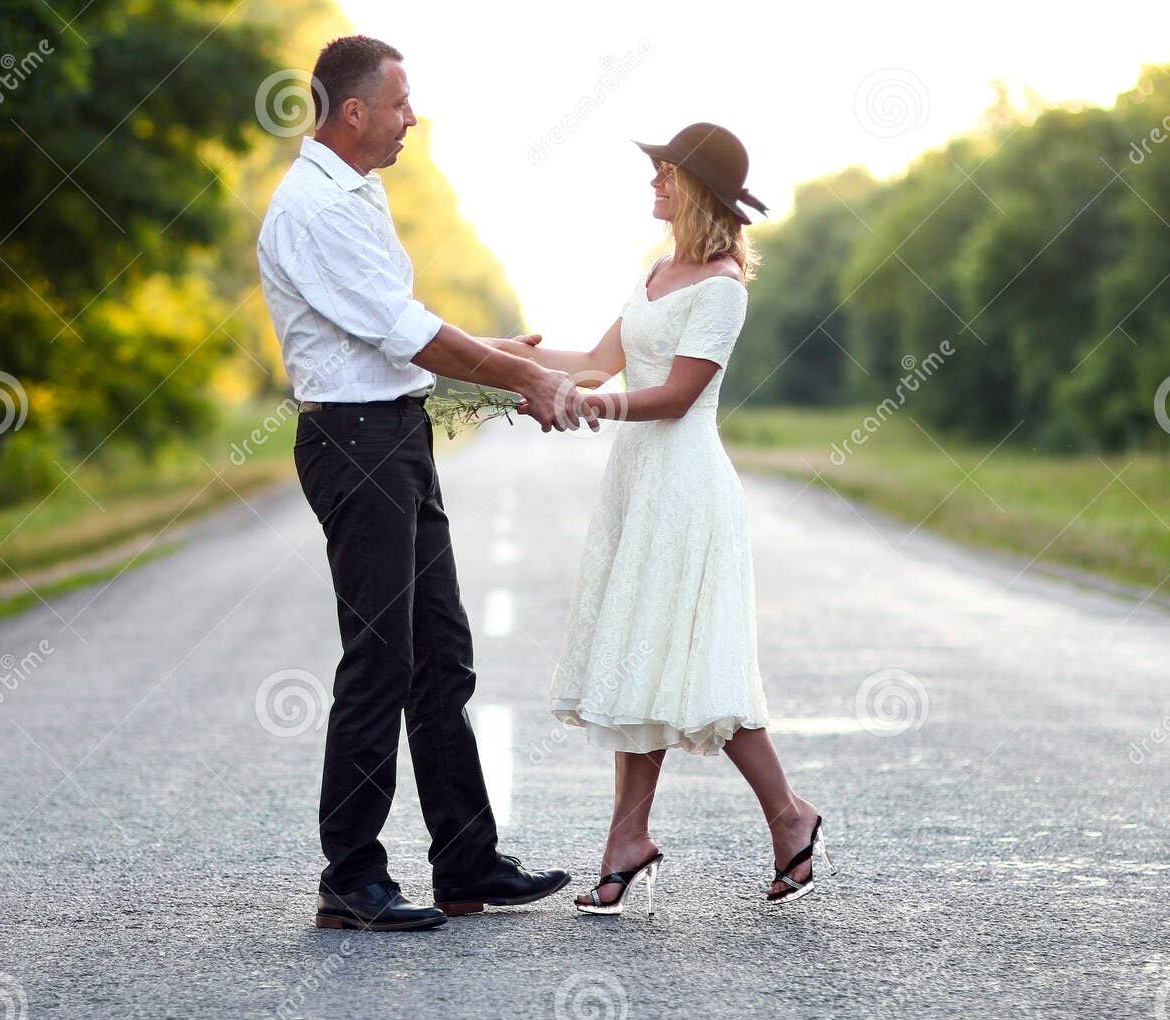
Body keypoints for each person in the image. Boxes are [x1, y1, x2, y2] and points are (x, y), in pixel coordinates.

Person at [256, 35, 581, 931]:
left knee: (441, 652)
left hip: (395, 433)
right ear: (354, 111)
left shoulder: (358, 192)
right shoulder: (313, 209)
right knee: (381, 661)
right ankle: (350, 876)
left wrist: (493, 358)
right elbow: (403, 330)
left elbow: (397, 333)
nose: (412, 118)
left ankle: (467, 863)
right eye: (400, 104)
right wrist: (524, 378)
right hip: (356, 443)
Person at [488, 123, 833, 913]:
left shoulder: (722, 287)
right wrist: (499, 363)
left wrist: (587, 406)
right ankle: (634, 840)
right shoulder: (657, 271)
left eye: (665, 172)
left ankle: (785, 814)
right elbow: (594, 362)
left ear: (696, 188)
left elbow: (676, 397)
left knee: (691, 658)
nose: (653, 183)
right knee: (642, 655)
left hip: (686, 488)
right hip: (637, 483)